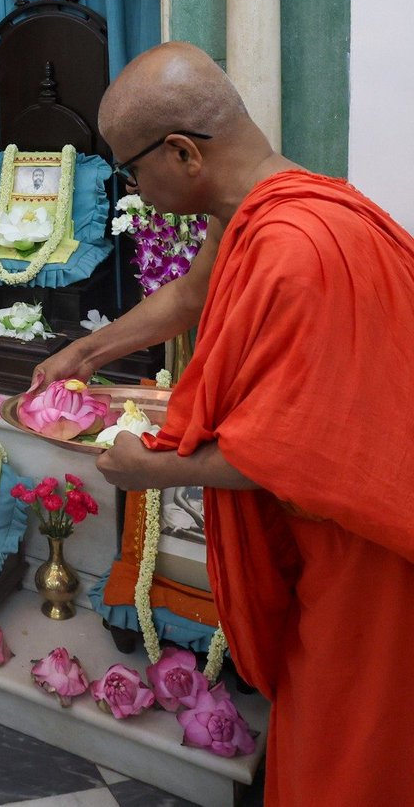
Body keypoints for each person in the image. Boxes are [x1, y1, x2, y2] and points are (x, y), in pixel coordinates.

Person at [30, 41, 414, 804]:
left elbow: (295, 453)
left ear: (182, 152)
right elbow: (189, 297)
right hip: (336, 531)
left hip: (365, 553)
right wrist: (86, 350)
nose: (132, 190)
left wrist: (151, 471)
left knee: (347, 748)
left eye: (132, 170)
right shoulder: (269, 202)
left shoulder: (296, 246)